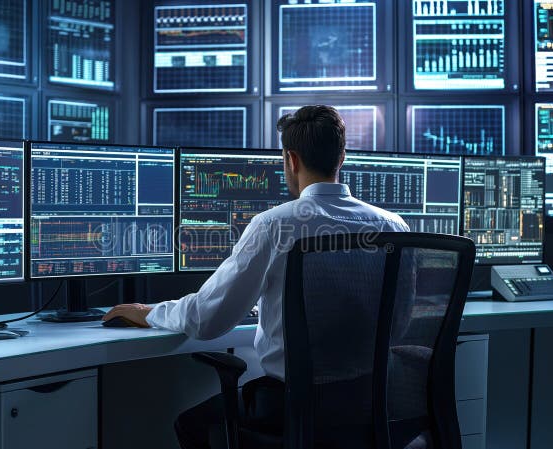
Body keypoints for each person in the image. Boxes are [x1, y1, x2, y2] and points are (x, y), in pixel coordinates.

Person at [104, 105, 410, 449]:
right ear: (342, 157)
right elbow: (398, 325)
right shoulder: (393, 226)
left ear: (291, 160)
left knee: (192, 425)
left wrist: (149, 312)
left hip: (293, 406)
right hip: (369, 406)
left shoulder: (274, 225)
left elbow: (207, 320)